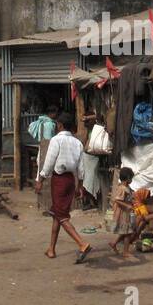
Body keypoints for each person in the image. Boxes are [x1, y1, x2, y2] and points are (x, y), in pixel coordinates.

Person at [35, 111, 91, 263]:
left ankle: (82, 243)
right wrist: (80, 185)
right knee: (57, 213)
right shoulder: (77, 143)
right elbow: (81, 168)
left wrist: (40, 179)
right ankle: (51, 249)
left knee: (61, 216)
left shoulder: (56, 140)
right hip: (70, 181)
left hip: (59, 180)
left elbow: (48, 163)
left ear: (59, 125)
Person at [108, 166, 137, 257]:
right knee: (127, 232)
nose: (132, 180)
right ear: (128, 178)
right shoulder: (122, 188)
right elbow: (118, 200)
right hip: (123, 213)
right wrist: (128, 206)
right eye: (131, 178)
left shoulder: (126, 187)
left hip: (126, 213)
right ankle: (125, 252)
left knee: (125, 231)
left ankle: (114, 243)